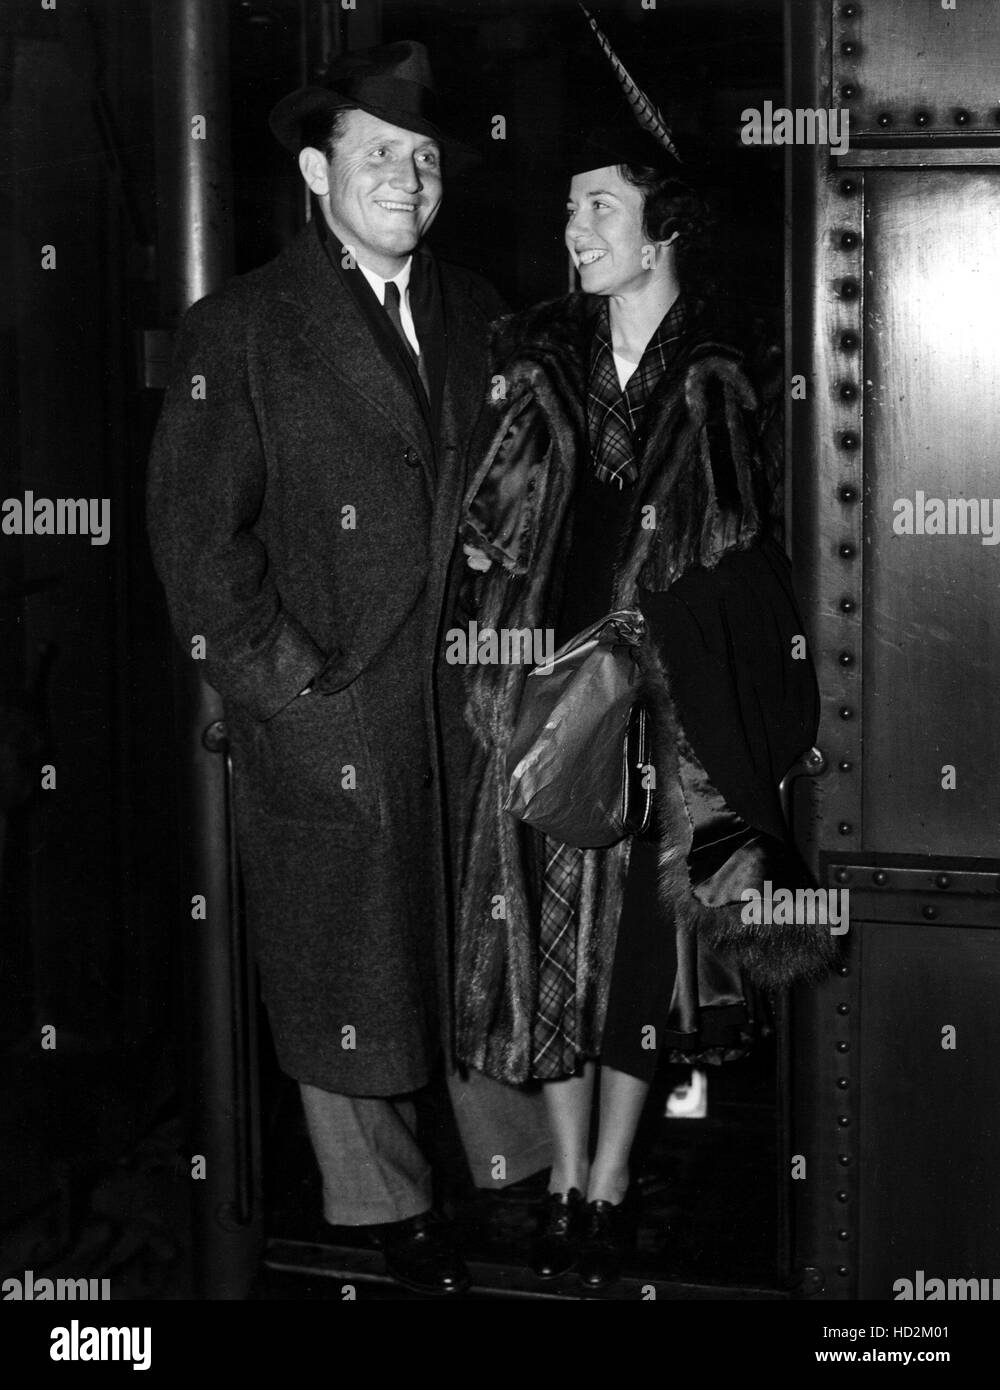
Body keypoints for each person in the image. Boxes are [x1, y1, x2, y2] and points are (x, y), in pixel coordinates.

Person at [146, 39, 549, 1298]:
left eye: (424, 161)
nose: (408, 180)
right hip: (334, 711)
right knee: (347, 967)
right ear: (320, 172)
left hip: (469, 704)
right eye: (382, 156)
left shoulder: (484, 308)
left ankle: (515, 1174)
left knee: (477, 939)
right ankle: (383, 1206)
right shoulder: (245, 329)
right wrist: (292, 689)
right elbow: (197, 548)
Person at [455, 82, 828, 1288]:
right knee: (538, 942)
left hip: (661, 715)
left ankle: (610, 1178)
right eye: (569, 208)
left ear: (661, 225)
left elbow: (739, 561)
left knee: (635, 961)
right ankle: (563, 1178)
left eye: (600, 205)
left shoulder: (718, 374)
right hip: (541, 699)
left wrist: (667, 661)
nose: (575, 228)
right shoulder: (535, 356)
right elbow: (487, 541)